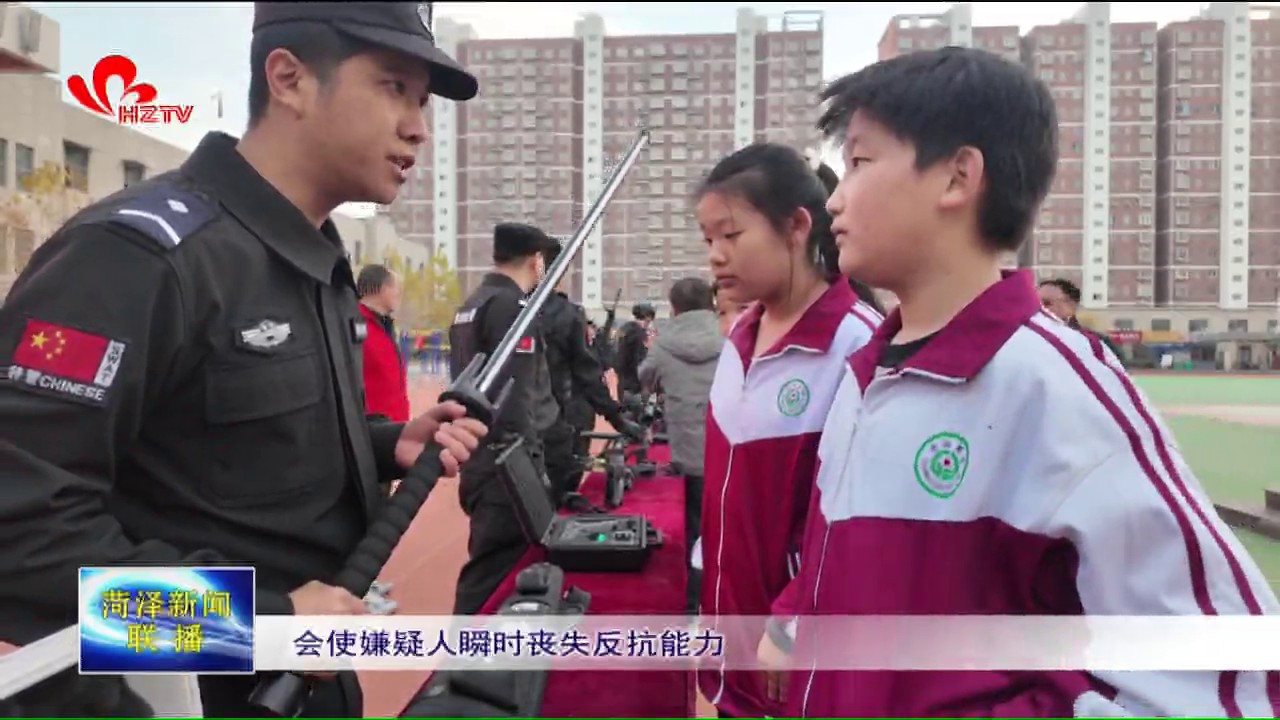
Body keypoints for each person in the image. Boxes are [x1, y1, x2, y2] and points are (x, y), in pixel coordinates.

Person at [761, 46, 1280, 718]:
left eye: (859, 162)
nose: (835, 196)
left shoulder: (1055, 387)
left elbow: (1226, 676)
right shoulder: (866, 374)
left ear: (957, 177)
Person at [0, 3, 488, 717]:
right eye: (393, 87)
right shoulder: (137, 257)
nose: (418, 127)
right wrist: (256, 625)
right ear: (289, 79)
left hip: (306, 685)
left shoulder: (315, 260)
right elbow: (19, 538)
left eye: (422, 102)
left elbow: (230, 453)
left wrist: (387, 445)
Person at [694, 142, 885, 719]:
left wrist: (793, 621)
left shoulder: (858, 345)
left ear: (798, 227)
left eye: (731, 235)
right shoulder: (740, 336)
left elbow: (859, 527)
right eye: (707, 239)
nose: (716, 256)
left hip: (795, 657)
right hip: (732, 639)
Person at [448, 222, 558, 615]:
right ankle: (465, 648)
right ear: (536, 260)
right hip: (505, 460)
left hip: (477, 453)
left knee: (489, 557)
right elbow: (516, 395)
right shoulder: (512, 307)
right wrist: (531, 464)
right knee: (495, 570)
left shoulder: (472, 304)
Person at [637, 276, 722, 613]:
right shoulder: (732, 335)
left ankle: (694, 598)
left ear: (674, 309)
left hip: (687, 447)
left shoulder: (664, 344)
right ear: (711, 303)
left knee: (695, 521)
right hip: (726, 445)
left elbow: (645, 377)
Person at [538, 241, 643, 503]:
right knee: (558, 497)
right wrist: (616, 417)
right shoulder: (566, 313)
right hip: (561, 420)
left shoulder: (498, 307)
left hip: (510, 428)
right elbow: (587, 373)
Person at [357, 263, 410, 423]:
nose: (398, 294)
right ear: (383, 288)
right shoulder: (354, 326)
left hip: (396, 425)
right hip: (372, 427)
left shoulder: (385, 327)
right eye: (395, 287)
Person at [1039, 277, 1122, 359]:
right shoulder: (1034, 341)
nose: (1040, 308)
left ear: (1070, 305)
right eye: (1037, 303)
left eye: (1046, 303)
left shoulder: (1096, 344)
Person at [614, 302, 655, 398]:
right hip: (633, 385)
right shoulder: (639, 334)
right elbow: (640, 360)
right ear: (647, 318)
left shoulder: (623, 329)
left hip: (619, 382)